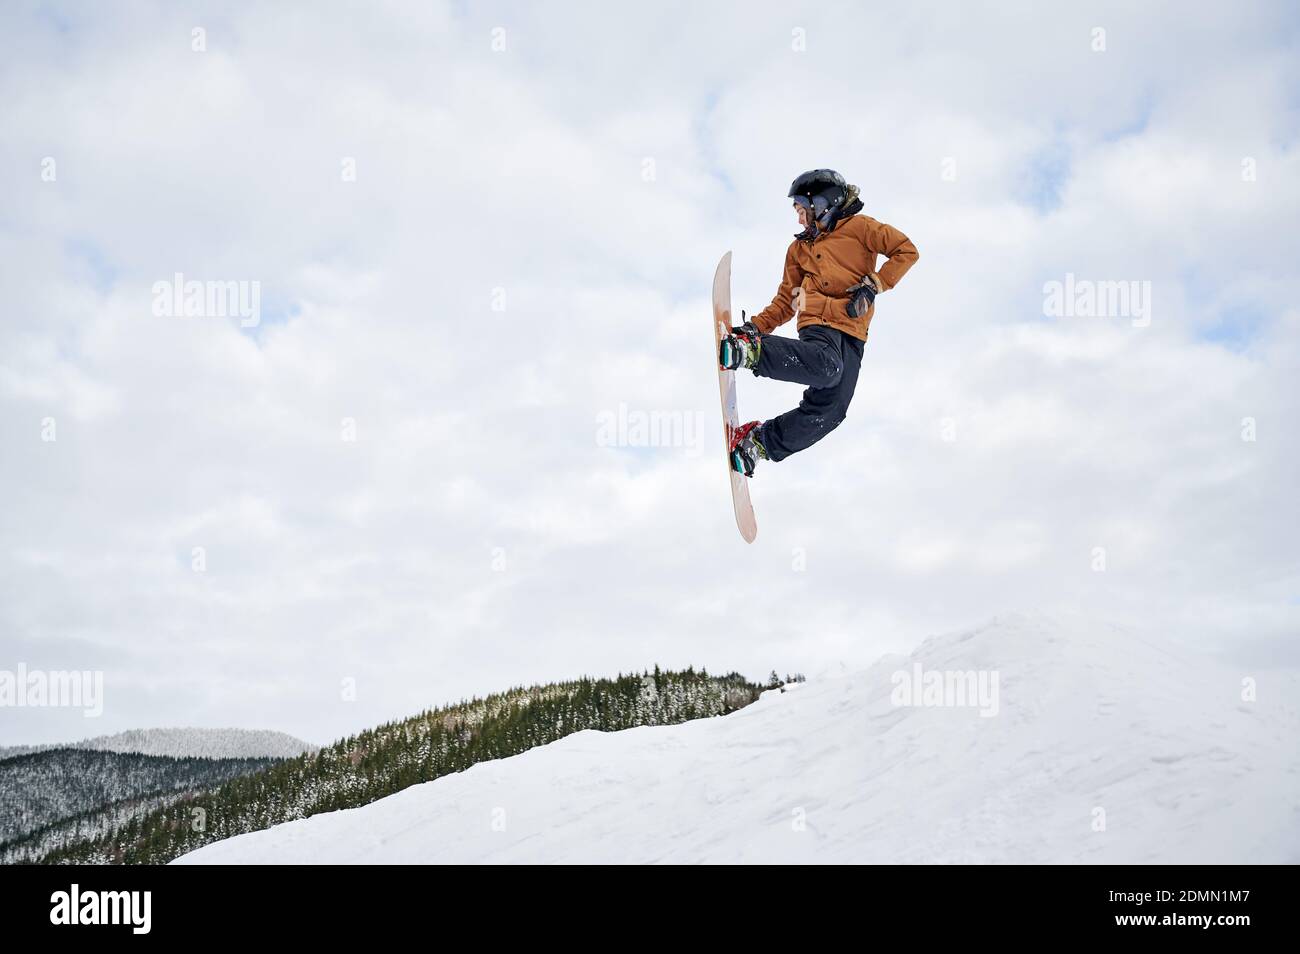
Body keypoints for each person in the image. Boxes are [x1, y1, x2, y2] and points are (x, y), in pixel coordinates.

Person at [718, 169, 918, 476]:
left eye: (801, 210)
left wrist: (874, 284)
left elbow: (906, 251)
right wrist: (755, 329)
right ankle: (753, 352)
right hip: (818, 319)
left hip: (853, 330)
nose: (799, 219)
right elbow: (786, 301)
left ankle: (759, 443)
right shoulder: (799, 250)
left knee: (833, 410)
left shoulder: (861, 228)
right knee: (827, 367)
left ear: (823, 202)